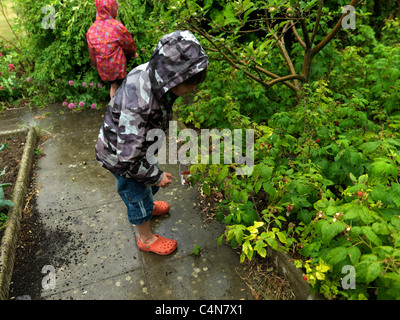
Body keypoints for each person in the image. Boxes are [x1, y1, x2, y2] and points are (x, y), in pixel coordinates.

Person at [95, 30, 209, 255]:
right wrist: (156, 177)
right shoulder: (143, 107)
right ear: (174, 77)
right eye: (191, 83)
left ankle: (148, 203)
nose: (194, 88)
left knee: (144, 182)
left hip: (135, 148)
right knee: (135, 193)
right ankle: (146, 237)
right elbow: (129, 159)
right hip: (121, 158)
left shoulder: (151, 72)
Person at [86, 0, 138, 98]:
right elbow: (128, 42)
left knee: (114, 86)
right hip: (117, 67)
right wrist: (133, 53)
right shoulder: (116, 26)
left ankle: (114, 109)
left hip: (104, 68)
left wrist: (96, 65)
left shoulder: (91, 30)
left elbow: (92, 53)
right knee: (120, 87)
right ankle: (120, 109)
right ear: (112, 9)